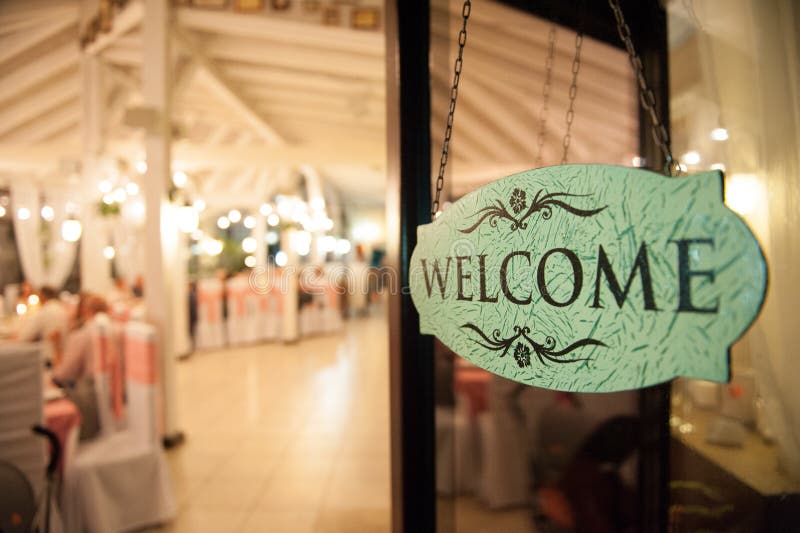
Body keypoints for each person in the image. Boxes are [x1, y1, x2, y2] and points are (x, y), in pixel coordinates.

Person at [51, 295, 109, 440]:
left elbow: (62, 375)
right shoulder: (113, 329)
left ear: (83, 310)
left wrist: (56, 347)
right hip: (112, 402)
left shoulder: (82, 335)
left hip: (88, 406)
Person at [16, 286, 68, 363]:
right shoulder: (62, 308)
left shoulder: (45, 311)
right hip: (63, 353)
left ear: (42, 296)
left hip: (48, 357)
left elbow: (25, 337)